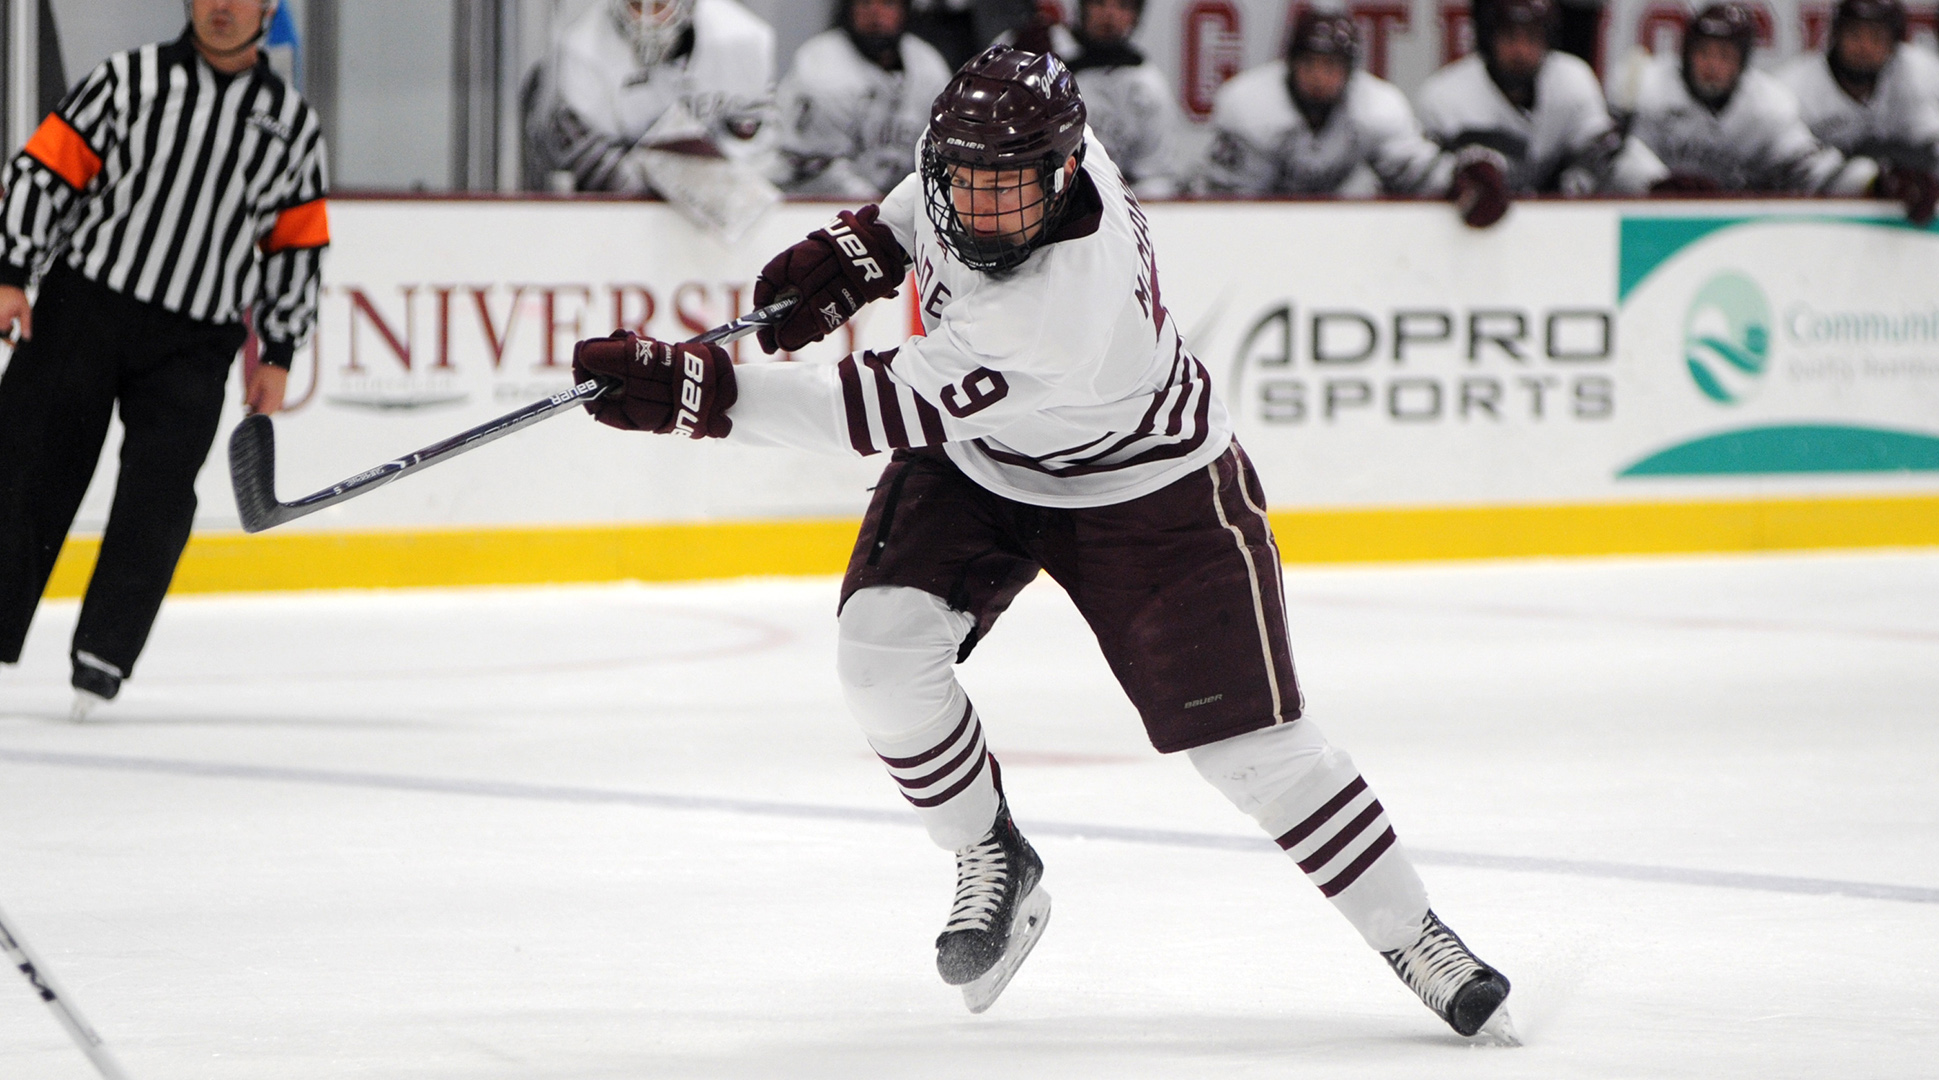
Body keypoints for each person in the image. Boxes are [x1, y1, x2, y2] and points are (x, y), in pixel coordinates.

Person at [566, 45, 1518, 1039]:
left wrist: (699, 393)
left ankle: (1415, 934)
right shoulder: (994, 156)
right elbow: (938, 193)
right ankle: (990, 853)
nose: (980, 213)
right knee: (880, 654)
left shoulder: (1058, 307)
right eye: (963, 185)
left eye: (1008, 193)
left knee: (1252, 754)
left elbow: (868, 409)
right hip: (986, 461)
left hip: (1148, 487)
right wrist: (870, 241)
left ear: (1065, 175)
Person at [0, 0, 328, 719]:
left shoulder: (291, 124)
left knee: (158, 499)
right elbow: (43, 170)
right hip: (84, 309)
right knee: (24, 467)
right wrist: (11, 271)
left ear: (269, 8)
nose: (222, 7)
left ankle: (103, 658)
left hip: (196, 340)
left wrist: (278, 349)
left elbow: (296, 244)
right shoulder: (129, 80)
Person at [1201, 12, 1511, 227]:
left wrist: (1462, 178)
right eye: (1310, 64)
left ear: (1350, 72)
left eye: (1331, 67)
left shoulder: (1375, 108)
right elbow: (1227, 202)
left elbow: (1413, 170)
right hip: (1254, 234)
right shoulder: (1251, 106)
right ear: (1291, 64)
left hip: (1334, 234)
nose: (1320, 77)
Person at [529, 0, 777, 207]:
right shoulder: (580, 50)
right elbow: (589, 162)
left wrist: (719, 187)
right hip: (625, 216)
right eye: (636, 4)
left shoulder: (745, 39)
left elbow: (758, 146)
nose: (646, 19)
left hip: (721, 217)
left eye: (659, 4)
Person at [1417, 0, 1666, 197]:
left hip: (1559, 225)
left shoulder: (1572, 79)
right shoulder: (1444, 95)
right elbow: (1418, 177)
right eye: (1509, 37)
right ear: (1488, 39)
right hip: (1471, 226)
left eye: (1532, 38)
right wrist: (1459, 183)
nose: (1521, 51)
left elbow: (1608, 154)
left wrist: (1658, 182)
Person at [1628, 3, 1879, 194]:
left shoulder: (1768, 105)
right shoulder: (1650, 86)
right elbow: (1616, 162)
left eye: (1724, 55)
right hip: (1652, 218)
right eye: (1703, 52)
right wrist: (1656, 182)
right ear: (1685, 54)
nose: (1712, 66)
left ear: (1743, 63)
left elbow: (1813, 168)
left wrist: (1871, 181)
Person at [1775, 0, 1939, 223]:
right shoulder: (1792, 90)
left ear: (1894, 45)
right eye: (1854, 34)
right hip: (1813, 216)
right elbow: (1795, 169)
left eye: (1877, 37)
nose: (1865, 47)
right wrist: (1873, 181)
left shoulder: (1923, 75)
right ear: (1835, 36)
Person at [778, 0, 951, 199]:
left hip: (889, 203)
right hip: (811, 204)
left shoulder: (927, 64)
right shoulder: (821, 66)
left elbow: (944, 155)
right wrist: (879, 207)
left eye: (888, 4)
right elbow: (814, 170)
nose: (876, 14)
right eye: (866, 3)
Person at [1011, 0, 1183, 197]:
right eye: (1099, 3)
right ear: (1082, 7)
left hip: (1108, 202)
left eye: (1123, 6)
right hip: (1033, 197)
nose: (1109, 14)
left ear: (1136, 16)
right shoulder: (1039, 51)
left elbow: (1156, 177)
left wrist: (1117, 205)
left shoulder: (1146, 86)